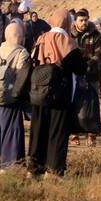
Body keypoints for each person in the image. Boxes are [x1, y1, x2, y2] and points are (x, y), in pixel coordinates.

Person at [27, 10, 86, 178]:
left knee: (38, 130)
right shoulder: (68, 42)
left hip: (39, 92)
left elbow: (32, 61)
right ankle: (53, 170)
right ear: (67, 23)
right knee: (57, 132)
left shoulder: (41, 39)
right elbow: (80, 68)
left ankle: (34, 169)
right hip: (60, 94)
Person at [0, 20, 30, 168]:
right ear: (19, 37)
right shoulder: (22, 52)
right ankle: (10, 164)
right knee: (11, 132)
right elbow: (22, 77)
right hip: (10, 100)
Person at [71, 10, 101, 146]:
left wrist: (86, 66)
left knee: (92, 107)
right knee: (74, 105)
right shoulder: (70, 35)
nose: (84, 23)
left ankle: (92, 135)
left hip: (91, 76)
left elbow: (99, 54)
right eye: (81, 20)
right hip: (74, 76)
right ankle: (74, 134)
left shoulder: (95, 35)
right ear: (75, 22)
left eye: (85, 20)